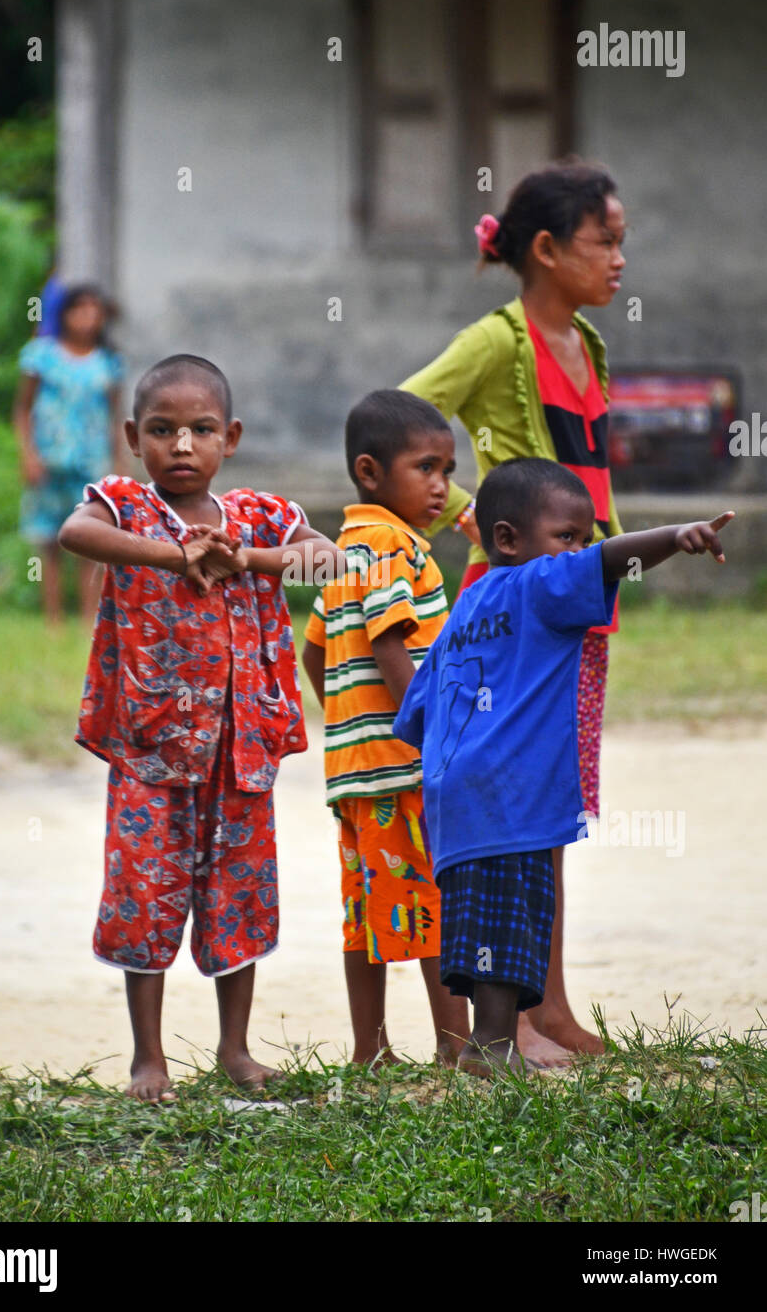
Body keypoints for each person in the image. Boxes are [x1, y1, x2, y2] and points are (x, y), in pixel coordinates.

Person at [59, 353, 342, 1100]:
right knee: (143, 895)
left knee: (238, 897)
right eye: (161, 430)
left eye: (200, 429)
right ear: (132, 437)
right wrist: (175, 556)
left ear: (231, 437)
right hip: (152, 748)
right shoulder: (123, 505)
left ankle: (234, 1049)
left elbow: (328, 560)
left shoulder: (259, 516)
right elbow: (73, 534)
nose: (181, 445)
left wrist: (247, 558)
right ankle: (147, 1058)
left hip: (242, 751)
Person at [393, 457, 733, 1076]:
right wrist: (674, 535)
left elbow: (415, 709)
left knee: (482, 918)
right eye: (567, 537)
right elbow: (607, 563)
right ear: (507, 540)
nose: (577, 551)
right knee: (512, 916)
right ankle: (493, 1047)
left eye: (583, 537)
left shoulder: (466, 610)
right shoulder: (536, 586)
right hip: (511, 795)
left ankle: (484, 1040)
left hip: (456, 798)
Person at [398, 158, 627, 1064]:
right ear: (544, 248)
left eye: (620, 243)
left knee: (553, 806)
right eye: (602, 240)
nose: (617, 260)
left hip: (576, 611)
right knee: (514, 805)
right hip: (518, 618)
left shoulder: (590, 346)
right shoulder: (498, 339)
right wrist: (466, 514)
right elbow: (409, 411)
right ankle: (519, 1020)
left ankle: (552, 1003)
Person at [302, 391, 470, 1067]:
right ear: (370, 472)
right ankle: (454, 1045)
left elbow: (314, 650)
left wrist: (347, 721)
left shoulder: (344, 550)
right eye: (425, 468)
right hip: (404, 769)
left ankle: (369, 1050)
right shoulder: (393, 547)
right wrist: (429, 739)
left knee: (365, 908)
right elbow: (388, 642)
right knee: (430, 901)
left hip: (354, 770)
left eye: (447, 470)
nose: (441, 487)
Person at [14, 283, 125, 624]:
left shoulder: (108, 363)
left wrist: (120, 462)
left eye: (94, 310)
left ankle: (89, 616)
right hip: (49, 460)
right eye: (79, 309)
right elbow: (22, 408)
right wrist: (28, 455)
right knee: (49, 540)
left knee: (90, 541)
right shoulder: (41, 356)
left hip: (90, 461)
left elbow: (115, 417)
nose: (86, 317)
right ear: (64, 314)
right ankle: (53, 618)